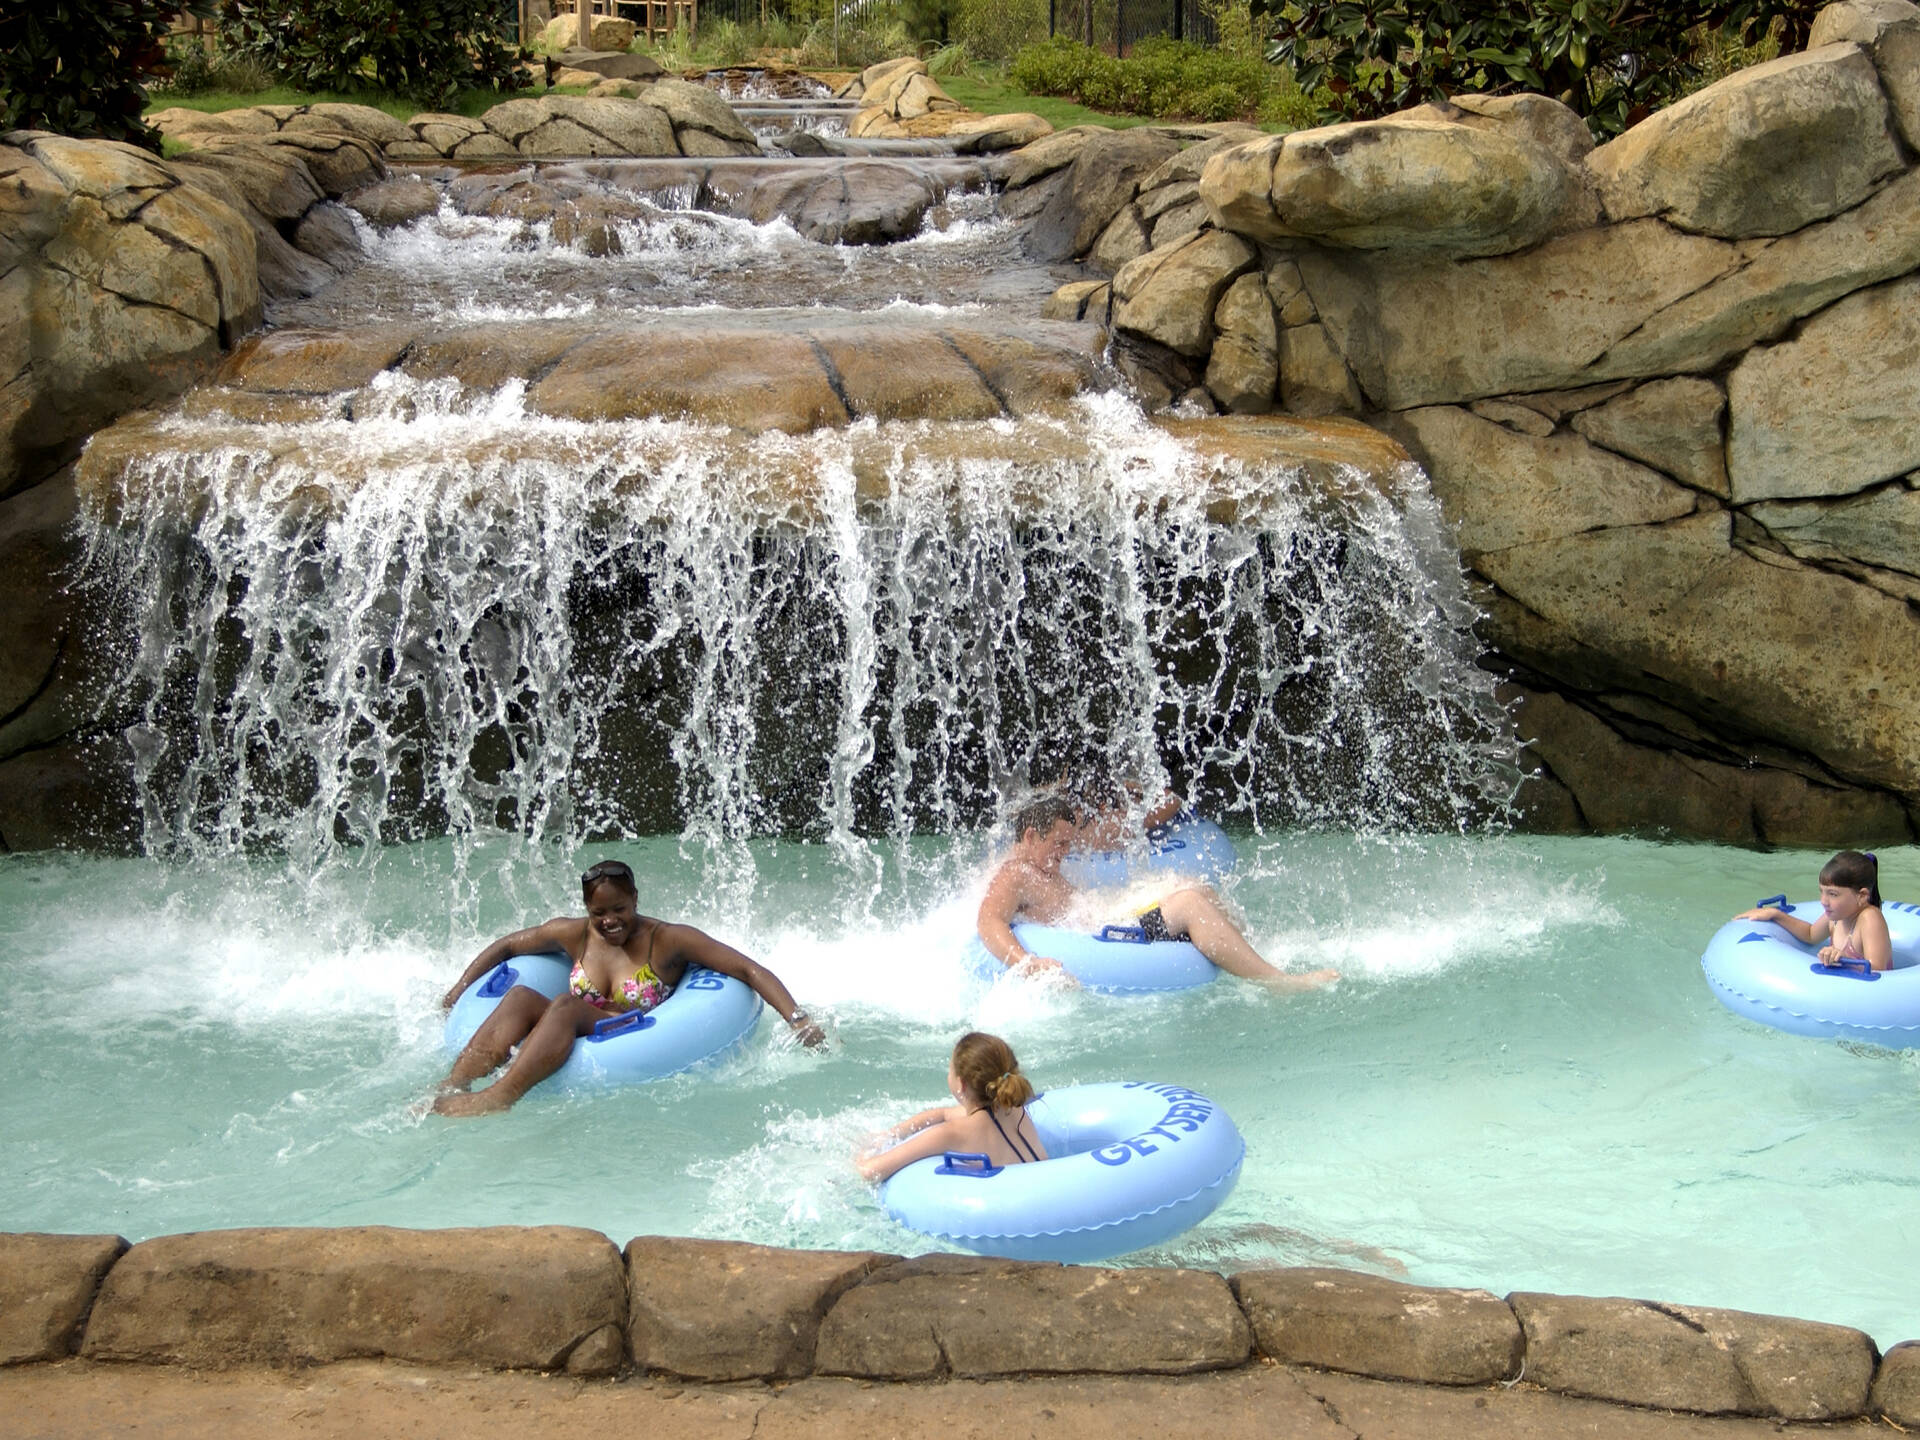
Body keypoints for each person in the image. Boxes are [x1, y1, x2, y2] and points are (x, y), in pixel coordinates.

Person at [433, 859, 824, 1116]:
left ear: (635, 899)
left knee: (566, 1006)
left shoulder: (668, 940)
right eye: (598, 913)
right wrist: (457, 992)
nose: (609, 921)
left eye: (619, 909)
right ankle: (453, 1086)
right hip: (575, 1021)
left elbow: (747, 968)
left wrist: (797, 1019)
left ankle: (501, 1095)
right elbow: (509, 945)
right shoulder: (577, 934)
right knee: (519, 996)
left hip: (632, 1029)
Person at [976, 795, 1338, 991]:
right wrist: (1024, 962)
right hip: (1108, 938)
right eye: (1057, 844)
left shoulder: (1042, 868)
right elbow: (988, 919)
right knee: (1190, 906)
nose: (1063, 852)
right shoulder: (1016, 874)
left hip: (1109, 923)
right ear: (1029, 837)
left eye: (1066, 844)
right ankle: (1276, 982)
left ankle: (1254, 958)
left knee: (1200, 890)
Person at [854, 1031, 1047, 1183]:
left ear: (961, 1084)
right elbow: (944, 1113)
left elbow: (870, 1171)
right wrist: (890, 1134)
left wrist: (860, 1150)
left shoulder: (951, 1134)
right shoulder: (1014, 1108)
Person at [1736, 849, 1892, 971]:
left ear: (1862, 895)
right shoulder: (1836, 918)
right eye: (1822, 891)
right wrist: (1775, 915)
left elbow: (1878, 968)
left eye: (1833, 894)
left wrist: (1844, 959)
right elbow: (1810, 934)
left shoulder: (1869, 918)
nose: (1824, 901)